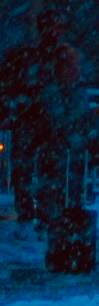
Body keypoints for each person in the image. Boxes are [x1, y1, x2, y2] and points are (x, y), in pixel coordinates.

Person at [22, 13, 99, 275]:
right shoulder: (54, 93)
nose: (76, 71)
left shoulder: (75, 93)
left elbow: (77, 123)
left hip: (71, 164)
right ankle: (61, 255)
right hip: (58, 162)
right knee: (58, 207)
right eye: (72, 67)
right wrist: (84, 124)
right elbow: (61, 123)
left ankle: (72, 254)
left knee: (71, 206)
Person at [0, 32, 39, 228]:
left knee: (22, 166)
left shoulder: (15, 77)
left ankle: (27, 206)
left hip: (27, 120)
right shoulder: (31, 74)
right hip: (31, 120)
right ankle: (30, 207)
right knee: (26, 166)